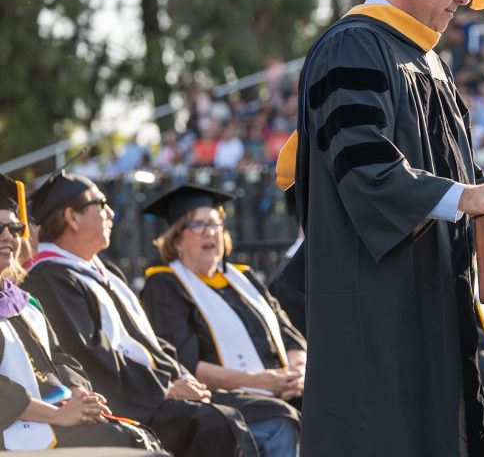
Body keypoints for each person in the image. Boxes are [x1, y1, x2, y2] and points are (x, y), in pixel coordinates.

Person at [277, 0, 484, 456]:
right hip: (378, 307)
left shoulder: (428, 63)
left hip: (430, 299)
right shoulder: (353, 46)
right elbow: (364, 165)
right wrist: (468, 197)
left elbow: (452, 174)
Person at [22, 171, 299, 457]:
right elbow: (91, 354)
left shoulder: (103, 272)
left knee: (275, 413)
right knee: (245, 421)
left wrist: (180, 377)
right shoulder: (51, 278)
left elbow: (149, 343)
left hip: (154, 391)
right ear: (72, 217)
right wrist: (166, 387)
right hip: (130, 400)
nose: (111, 213)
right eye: (101, 203)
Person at [0, 173, 161, 452]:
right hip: (13, 429)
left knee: (137, 436)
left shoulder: (25, 303)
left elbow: (60, 358)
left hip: (51, 418)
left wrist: (78, 394)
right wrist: (56, 415)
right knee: (123, 443)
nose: (8, 237)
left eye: (14, 228)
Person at [139, 184, 306, 409]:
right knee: (280, 415)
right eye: (197, 224)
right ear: (176, 239)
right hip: (224, 400)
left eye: (215, 223)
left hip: (284, 390)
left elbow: (291, 337)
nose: (209, 231)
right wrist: (257, 382)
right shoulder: (165, 285)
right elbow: (185, 362)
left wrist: (298, 374)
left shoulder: (245, 278)